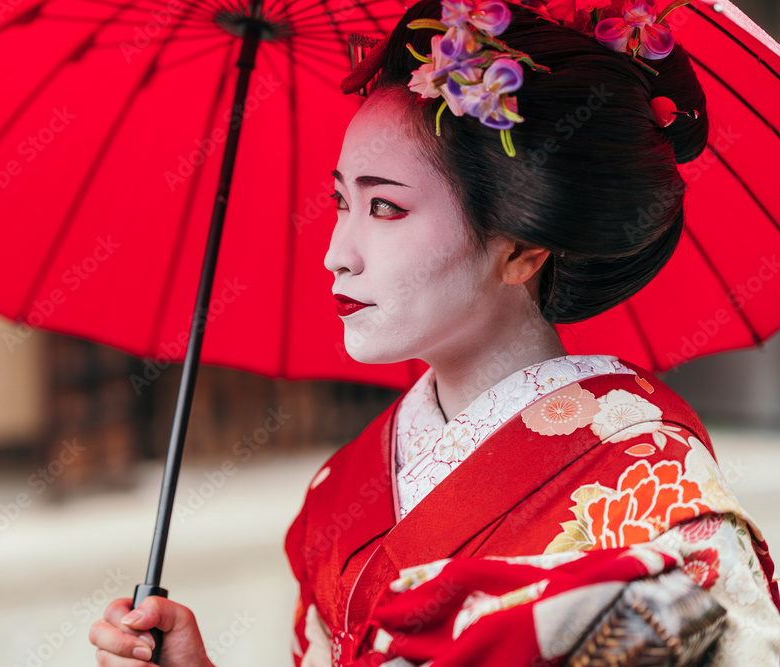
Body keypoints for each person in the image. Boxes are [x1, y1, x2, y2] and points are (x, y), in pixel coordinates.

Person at [89, 0, 780, 664]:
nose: (337, 251)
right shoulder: (344, 487)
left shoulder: (657, 491)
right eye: (341, 201)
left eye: (385, 206)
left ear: (520, 250)